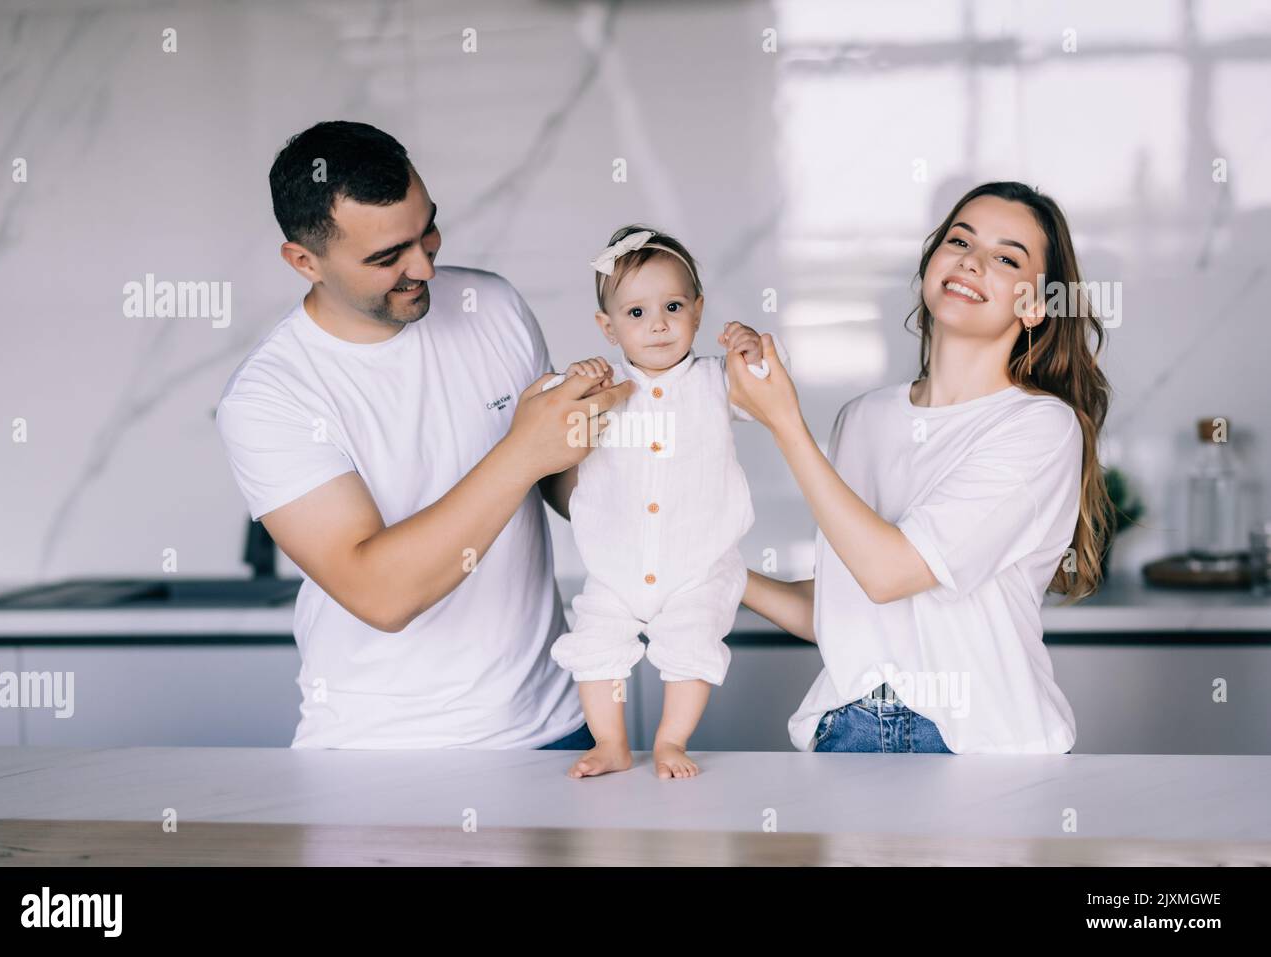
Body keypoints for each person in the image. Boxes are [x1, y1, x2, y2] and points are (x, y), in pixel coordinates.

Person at [214, 121, 632, 749]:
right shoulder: (271, 396)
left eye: (427, 229)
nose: (424, 267)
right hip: (384, 750)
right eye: (387, 257)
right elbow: (381, 593)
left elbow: (558, 484)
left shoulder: (491, 304)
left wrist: (645, 447)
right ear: (305, 262)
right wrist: (523, 450)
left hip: (559, 727)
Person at [729, 181, 1111, 754]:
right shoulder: (862, 418)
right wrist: (713, 569)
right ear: (932, 263)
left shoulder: (1039, 427)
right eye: (960, 240)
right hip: (845, 729)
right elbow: (846, 603)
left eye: (1006, 257)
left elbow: (893, 575)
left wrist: (785, 424)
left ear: (1034, 304)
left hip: (975, 743)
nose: (973, 261)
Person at [539, 225, 781, 779]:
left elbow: (766, 388)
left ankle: (672, 741)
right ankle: (611, 743)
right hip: (615, 561)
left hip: (698, 561)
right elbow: (552, 428)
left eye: (673, 306)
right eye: (636, 313)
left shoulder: (718, 382)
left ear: (698, 311)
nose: (659, 325)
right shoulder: (602, 389)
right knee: (595, 645)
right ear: (608, 327)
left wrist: (754, 351)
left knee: (691, 644)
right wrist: (571, 385)